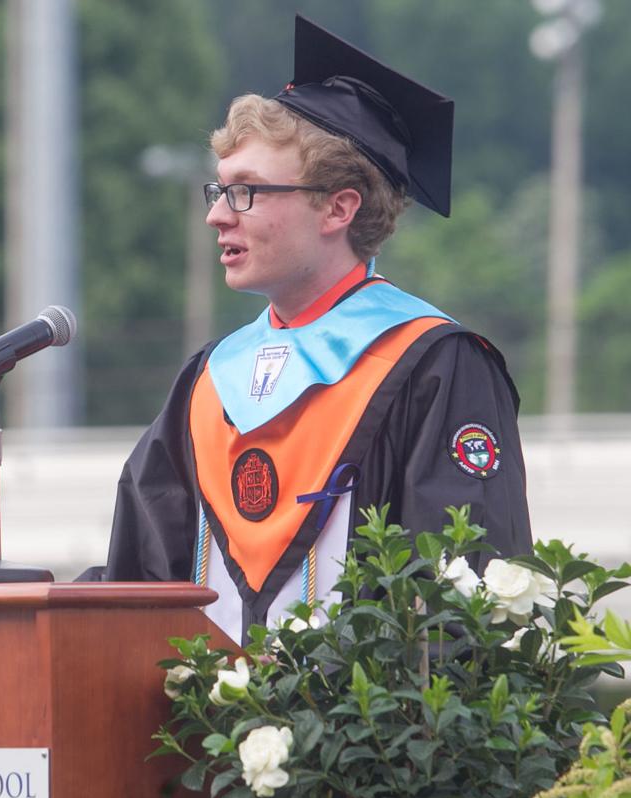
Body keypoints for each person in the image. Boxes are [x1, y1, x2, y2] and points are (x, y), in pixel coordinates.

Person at [94, 16, 532, 642]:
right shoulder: (209, 381)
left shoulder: (435, 364)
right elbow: (137, 582)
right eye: (217, 190)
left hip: (369, 735)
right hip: (204, 735)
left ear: (337, 207)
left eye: (246, 191)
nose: (218, 215)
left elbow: (466, 604)